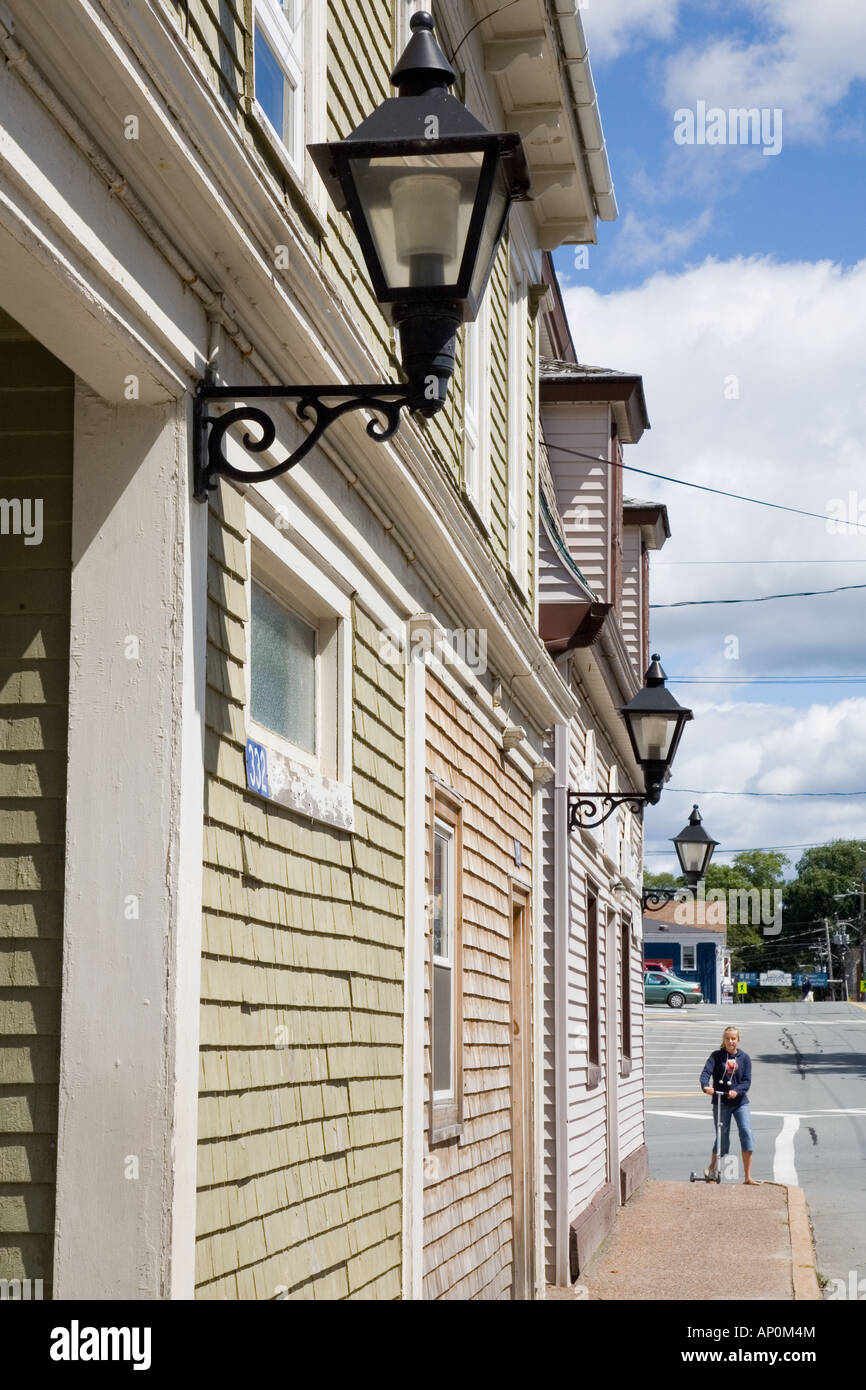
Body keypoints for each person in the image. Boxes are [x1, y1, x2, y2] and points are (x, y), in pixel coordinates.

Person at [700, 1025, 759, 1184]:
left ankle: (748, 1177)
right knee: (722, 1136)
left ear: (738, 1040)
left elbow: (747, 1081)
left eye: (733, 1038)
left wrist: (737, 1091)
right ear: (724, 1040)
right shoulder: (716, 1056)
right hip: (721, 1102)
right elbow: (706, 1072)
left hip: (740, 1103)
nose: (730, 1041)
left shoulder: (744, 1058)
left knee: (746, 1132)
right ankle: (712, 1170)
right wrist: (706, 1086)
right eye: (727, 1038)